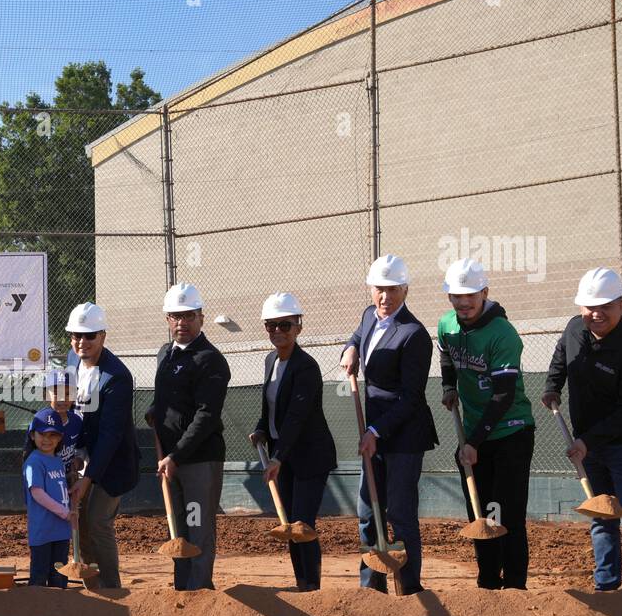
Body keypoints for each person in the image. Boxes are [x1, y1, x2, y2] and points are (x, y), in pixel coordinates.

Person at [543, 267, 622, 592]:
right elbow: (560, 356)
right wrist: (553, 386)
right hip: (590, 445)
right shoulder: (574, 329)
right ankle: (607, 588)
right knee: (601, 516)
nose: (596, 314)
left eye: (605, 306)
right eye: (589, 307)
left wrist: (586, 441)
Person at [340, 255, 438, 594]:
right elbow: (358, 334)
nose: (386, 297)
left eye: (393, 289)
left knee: (399, 512)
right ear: (371, 290)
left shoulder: (414, 335)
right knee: (369, 510)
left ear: (405, 290)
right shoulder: (370, 315)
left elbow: (411, 398)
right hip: (375, 434)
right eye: (380, 289)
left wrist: (375, 431)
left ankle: (409, 588)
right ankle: (371, 589)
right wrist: (351, 348)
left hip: (404, 436)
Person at [436, 259, 536, 590]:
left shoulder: (502, 333)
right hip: (475, 436)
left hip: (511, 431)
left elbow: (503, 396)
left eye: (470, 297)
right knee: (481, 514)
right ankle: (488, 582)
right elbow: (446, 356)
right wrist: (449, 385)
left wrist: (473, 443)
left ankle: (516, 586)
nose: (463, 304)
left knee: (507, 514)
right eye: (456, 297)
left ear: (485, 292)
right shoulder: (446, 325)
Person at [249, 292, 337, 591]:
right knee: (288, 524)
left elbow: (297, 417)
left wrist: (277, 458)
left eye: (284, 325)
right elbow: (270, 408)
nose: (277, 331)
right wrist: (261, 429)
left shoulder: (306, 367)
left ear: (298, 327)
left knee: (302, 525)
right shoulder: (270, 360)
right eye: (271, 325)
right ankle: (301, 583)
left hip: (309, 456)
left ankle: (311, 587)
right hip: (282, 455)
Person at [147, 283, 231, 591]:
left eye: (189, 316)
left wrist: (176, 455)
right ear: (167, 319)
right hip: (171, 460)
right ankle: (182, 591)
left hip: (197, 461)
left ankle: (198, 593)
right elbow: (168, 398)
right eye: (175, 316)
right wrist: (154, 409)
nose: (181, 323)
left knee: (197, 528)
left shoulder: (210, 360)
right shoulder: (165, 354)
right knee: (178, 530)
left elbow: (206, 416)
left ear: (201, 319)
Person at [66, 302, 140, 591]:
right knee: (81, 524)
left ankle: (112, 588)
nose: (81, 342)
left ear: (103, 337)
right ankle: (92, 588)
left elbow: (110, 436)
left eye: (89, 335)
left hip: (113, 464)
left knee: (97, 521)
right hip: (84, 456)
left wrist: (88, 479)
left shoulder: (117, 377)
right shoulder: (72, 362)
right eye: (76, 335)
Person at [23, 407, 78, 588]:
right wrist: (64, 512)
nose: (47, 440)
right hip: (43, 531)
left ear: (60, 437)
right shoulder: (34, 461)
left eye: (53, 435)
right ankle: (38, 615)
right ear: (32, 435)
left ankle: (61, 613)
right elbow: (37, 493)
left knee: (59, 576)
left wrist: (70, 505)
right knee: (39, 576)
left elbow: (58, 488)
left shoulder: (57, 460)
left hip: (61, 530)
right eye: (42, 434)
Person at [20, 368, 84, 483]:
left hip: (68, 479)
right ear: (46, 395)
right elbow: (27, 457)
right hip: (45, 481)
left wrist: (78, 460)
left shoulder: (76, 421)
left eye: (68, 393)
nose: (62, 398)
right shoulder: (40, 421)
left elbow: (80, 448)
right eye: (56, 393)